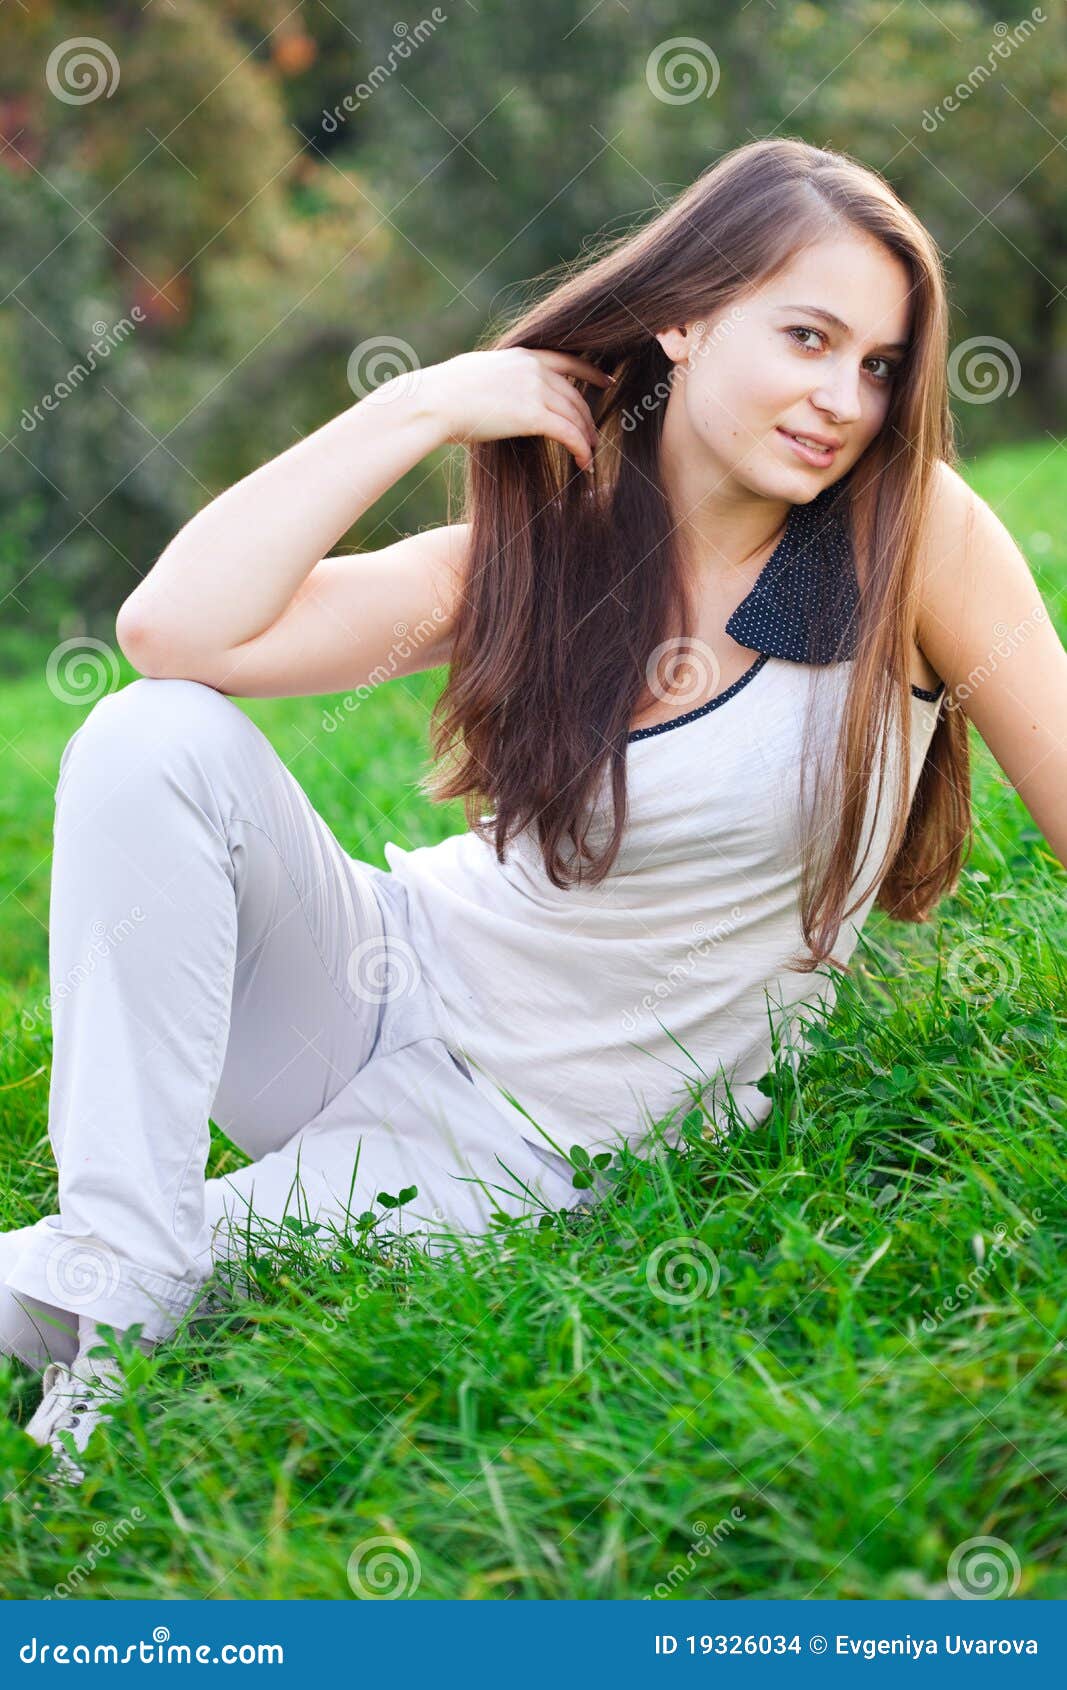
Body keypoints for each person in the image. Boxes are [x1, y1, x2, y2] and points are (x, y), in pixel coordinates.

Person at [5, 136, 1064, 1485]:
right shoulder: (550, 543)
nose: (842, 398)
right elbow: (170, 631)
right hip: (375, 980)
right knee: (147, 735)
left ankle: (113, 1285)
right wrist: (426, 405)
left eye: (876, 366)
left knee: (40, 1298)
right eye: (807, 337)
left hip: (527, 1134)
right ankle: (126, 1271)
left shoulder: (912, 539)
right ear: (684, 316)